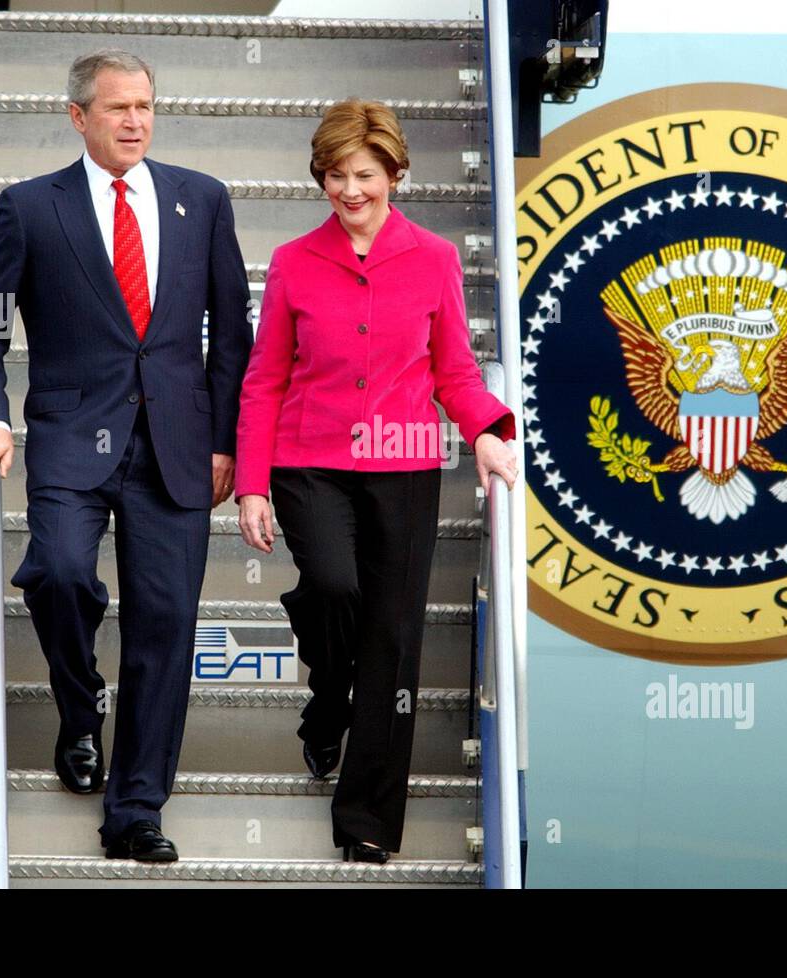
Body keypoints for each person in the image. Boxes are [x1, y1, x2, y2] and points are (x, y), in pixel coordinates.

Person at [0, 49, 252, 862]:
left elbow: (233, 337)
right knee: (54, 572)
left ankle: (135, 812)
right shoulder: (27, 207)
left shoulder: (203, 199)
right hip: (67, 440)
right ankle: (79, 706)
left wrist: (229, 439)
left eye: (146, 107)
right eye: (117, 108)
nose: (135, 122)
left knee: (166, 625)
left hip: (177, 450)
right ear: (78, 116)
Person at [234, 98, 518, 863]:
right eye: (333, 175)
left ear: (397, 173)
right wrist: (253, 483)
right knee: (330, 587)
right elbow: (265, 377)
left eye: (362, 174)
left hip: (404, 464)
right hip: (309, 461)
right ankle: (329, 700)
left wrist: (489, 432)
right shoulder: (296, 259)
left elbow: (454, 368)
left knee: (392, 640)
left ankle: (365, 819)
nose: (348, 190)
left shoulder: (434, 258)